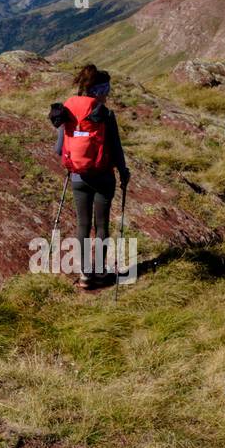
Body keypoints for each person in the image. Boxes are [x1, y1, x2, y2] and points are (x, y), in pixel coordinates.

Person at [49, 65, 131, 289]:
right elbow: (116, 149)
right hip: (103, 177)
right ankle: (101, 272)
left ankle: (85, 274)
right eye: (107, 89)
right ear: (99, 90)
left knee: (83, 225)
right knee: (102, 225)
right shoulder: (105, 114)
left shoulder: (67, 110)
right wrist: (124, 173)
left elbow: (58, 149)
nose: (108, 93)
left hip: (78, 177)